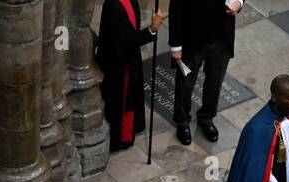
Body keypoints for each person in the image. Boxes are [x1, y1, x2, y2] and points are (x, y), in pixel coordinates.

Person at [169, 0, 243, 145]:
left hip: (220, 36)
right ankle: (182, 121)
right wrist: (175, 45)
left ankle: (206, 117)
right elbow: (176, 9)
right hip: (191, 38)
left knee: (215, 82)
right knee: (185, 84)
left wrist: (238, 2)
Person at [96, 0, 167, 151]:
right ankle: (119, 138)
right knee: (121, 101)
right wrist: (153, 28)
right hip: (117, 64)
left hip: (129, 58)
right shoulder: (113, 6)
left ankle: (127, 134)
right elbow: (126, 40)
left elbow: (131, 33)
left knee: (130, 97)